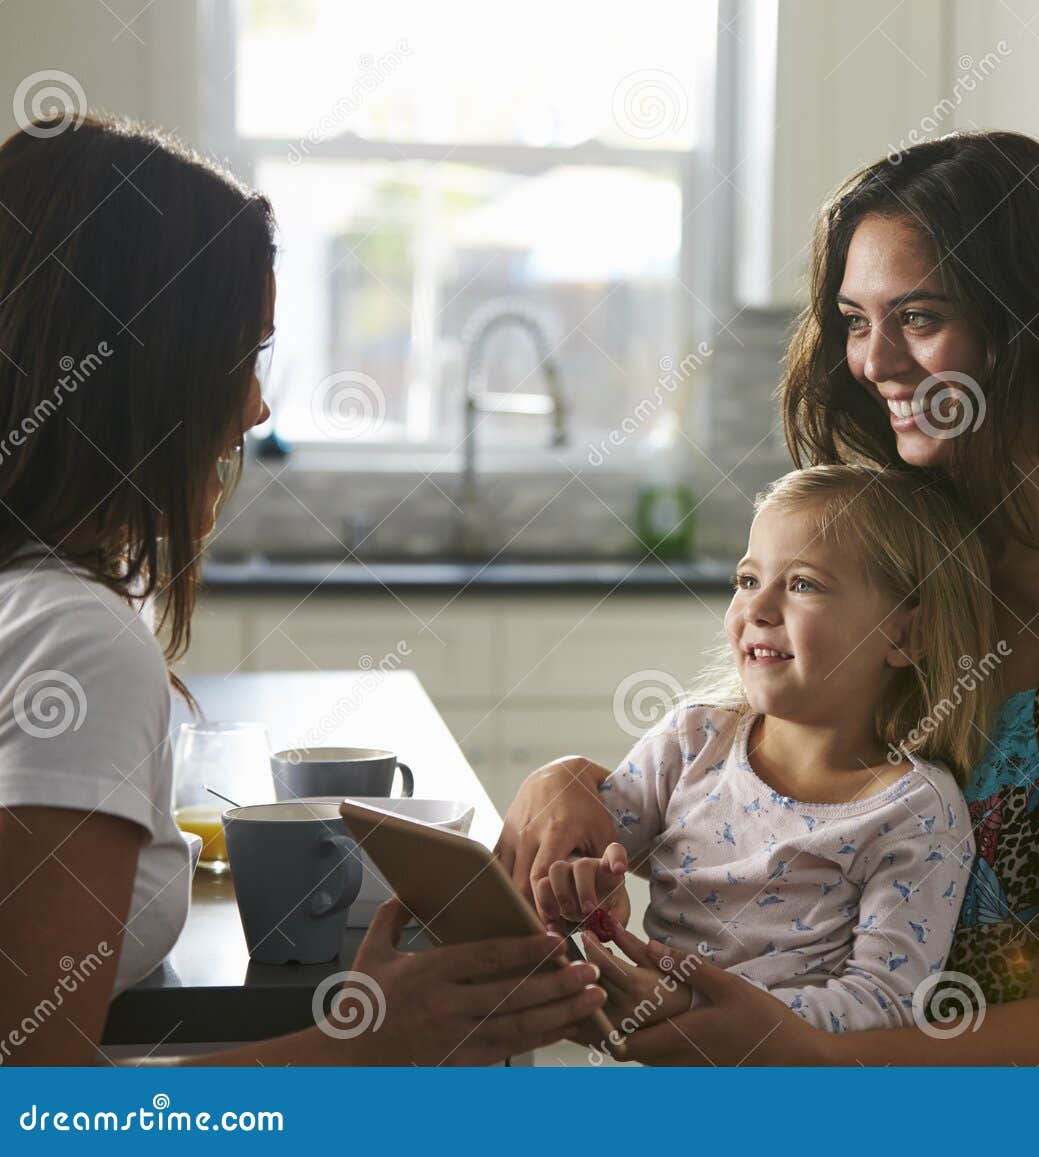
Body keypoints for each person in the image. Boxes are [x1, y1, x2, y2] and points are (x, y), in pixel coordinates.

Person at [496, 131, 1039, 1065]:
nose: (872, 360)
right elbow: (768, 783)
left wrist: (787, 1051)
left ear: (1033, 322)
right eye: (853, 319)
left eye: (918, 316)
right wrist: (570, 782)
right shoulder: (896, 536)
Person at [0, 116, 603, 1065]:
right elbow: (39, 1110)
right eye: (243, 354)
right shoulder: (73, 638)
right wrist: (370, 1040)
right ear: (153, 367)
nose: (255, 406)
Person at [536, 465, 998, 1038]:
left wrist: (699, 1018)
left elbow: (883, 1003)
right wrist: (579, 882)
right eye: (748, 579)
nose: (757, 608)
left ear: (905, 637)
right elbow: (592, 848)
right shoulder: (692, 742)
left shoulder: (915, 813)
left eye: (802, 584)